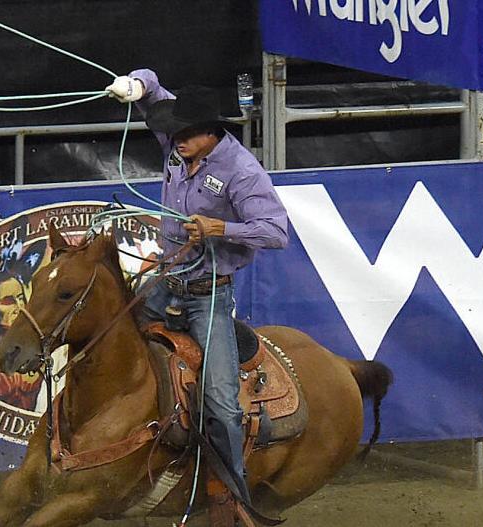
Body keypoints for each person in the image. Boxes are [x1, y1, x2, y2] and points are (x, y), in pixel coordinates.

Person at [106, 70, 289, 523]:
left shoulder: (241, 171)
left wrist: (221, 227)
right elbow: (153, 92)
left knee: (223, 405)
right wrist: (136, 84)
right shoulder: (181, 142)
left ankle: (232, 501)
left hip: (208, 296)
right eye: (174, 130)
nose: (174, 137)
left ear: (212, 133)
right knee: (107, 333)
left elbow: (276, 231)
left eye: (185, 133)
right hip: (166, 280)